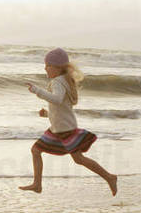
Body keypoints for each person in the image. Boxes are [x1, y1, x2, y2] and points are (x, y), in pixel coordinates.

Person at [19, 47, 117, 195]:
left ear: (57, 68)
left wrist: (37, 91)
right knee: (46, 152)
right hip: (60, 127)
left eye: (47, 65)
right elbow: (63, 107)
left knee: (42, 151)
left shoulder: (58, 81)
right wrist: (47, 113)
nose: (45, 68)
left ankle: (110, 177)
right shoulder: (64, 80)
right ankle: (37, 184)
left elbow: (57, 100)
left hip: (64, 130)